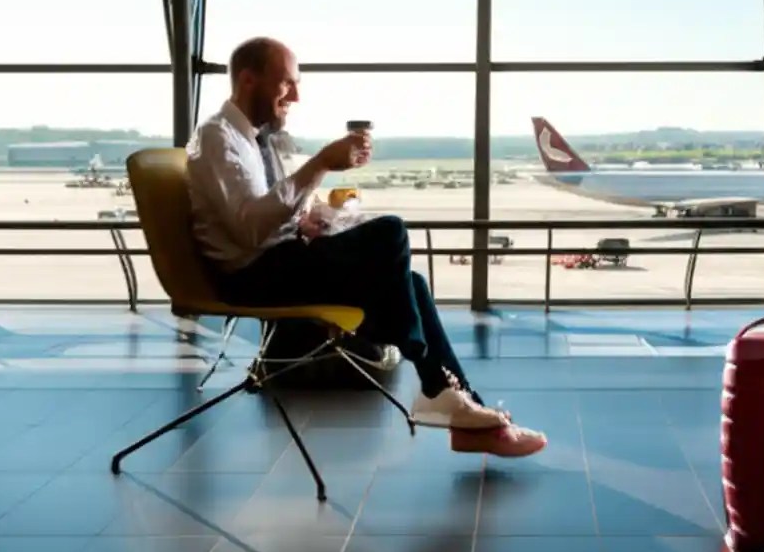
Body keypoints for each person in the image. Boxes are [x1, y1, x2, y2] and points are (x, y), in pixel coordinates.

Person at [185, 36, 547, 458]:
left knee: (409, 279)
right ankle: (437, 386)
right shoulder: (218, 138)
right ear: (248, 80)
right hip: (253, 279)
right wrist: (320, 164)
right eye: (287, 84)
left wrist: (308, 220)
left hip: (280, 261)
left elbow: (261, 215)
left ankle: (459, 407)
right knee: (391, 233)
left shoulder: (255, 139)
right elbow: (249, 232)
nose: (296, 96)